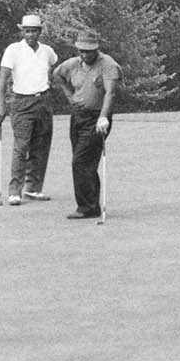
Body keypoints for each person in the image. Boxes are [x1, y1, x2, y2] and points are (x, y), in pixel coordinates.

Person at [0, 12, 60, 204]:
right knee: (21, 147)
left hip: (44, 101)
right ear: (22, 31)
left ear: (40, 31)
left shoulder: (47, 51)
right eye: (27, 31)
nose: (30, 34)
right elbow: (3, 79)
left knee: (41, 146)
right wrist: (1, 105)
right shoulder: (13, 50)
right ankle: (15, 191)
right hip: (22, 102)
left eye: (34, 31)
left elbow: (56, 68)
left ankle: (33, 188)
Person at [59, 28, 119, 219]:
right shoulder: (73, 64)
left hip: (97, 119)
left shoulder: (107, 64)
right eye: (82, 51)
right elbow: (57, 75)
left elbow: (110, 93)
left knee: (81, 161)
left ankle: (85, 207)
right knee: (86, 162)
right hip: (78, 116)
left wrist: (103, 116)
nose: (85, 54)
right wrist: (70, 96)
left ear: (96, 49)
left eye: (89, 51)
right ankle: (92, 206)